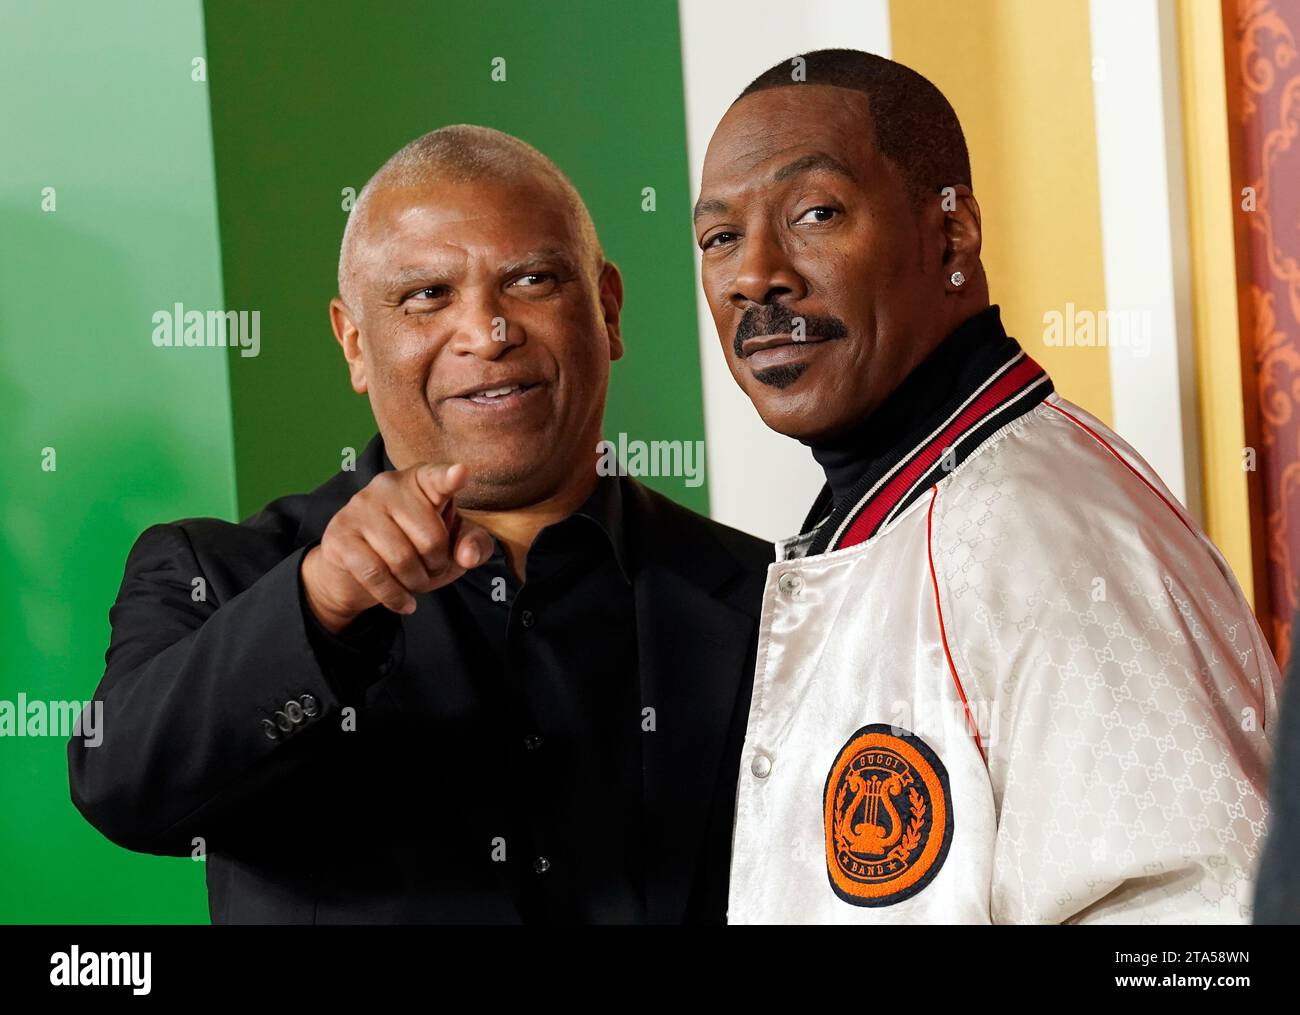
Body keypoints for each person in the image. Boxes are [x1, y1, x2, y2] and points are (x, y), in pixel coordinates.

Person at [69, 125, 770, 924]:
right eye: (428, 295)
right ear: (355, 342)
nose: (488, 332)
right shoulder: (216, 574)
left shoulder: (770, 597)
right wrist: (321, 604)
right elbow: (121, 784)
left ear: (607, 311)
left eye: (533, 280)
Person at [693, 49, 1280, 923]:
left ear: (952, 234)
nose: (755, 275)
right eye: (720, 238)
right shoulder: (899, 507)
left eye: (815, 211)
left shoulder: (1047, 534)